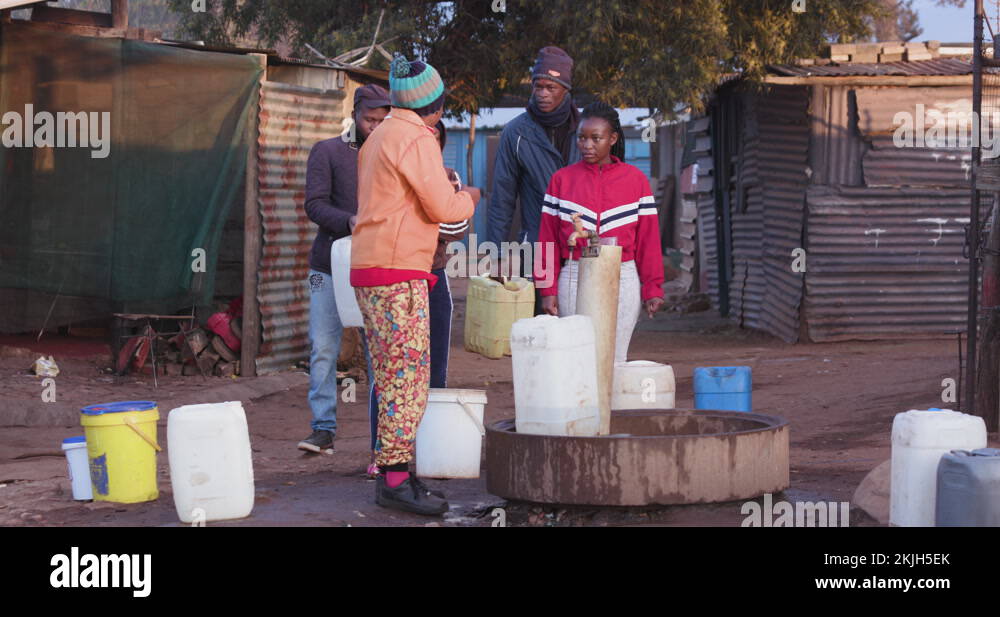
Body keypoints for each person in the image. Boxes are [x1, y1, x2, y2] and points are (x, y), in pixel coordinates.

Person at [352, 53, 480, 515]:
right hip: (397, 269)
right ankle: (396, 481)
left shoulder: (380, 135)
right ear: (438, 105)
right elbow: (444, 208)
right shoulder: (415, 137)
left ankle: (398, 474)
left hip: (370, 266)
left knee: (390, 376)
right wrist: (469, 198)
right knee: (408, 377)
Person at [365, 122, 465, 472]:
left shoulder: (447, 176)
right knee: (392, 372)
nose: (425, 144)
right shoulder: (386, 175)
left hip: (431, 276)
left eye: (433, 139)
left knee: (431, 371)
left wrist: (456, 203)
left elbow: (454, 228)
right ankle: (384, 456)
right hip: (397, 276)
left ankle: (423, 450)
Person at [298, 84, 391, 454]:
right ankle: (323, 428)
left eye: (383, 121)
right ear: (355, 114)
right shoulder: (328, 151)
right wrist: (349, 220)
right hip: (329, 265)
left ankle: (383, 437)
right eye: (370, 119)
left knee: (378, 353)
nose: (376, 126)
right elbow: (314, 205)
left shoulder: (391, 153)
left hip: (378, 264)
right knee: (323, 347)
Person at [535, 101, 666, 363]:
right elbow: (546, 239)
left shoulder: (636, 181)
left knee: (614, 359)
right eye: (582, 138)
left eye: (596, 138)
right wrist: (546, 289)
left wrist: (653, 288)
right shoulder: (561, 180)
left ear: (613, 138)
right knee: (576, 357)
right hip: (573, 274)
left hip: (623, 275)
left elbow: (649, 241)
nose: (587, 145)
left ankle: (610, 405)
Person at [487, 46, 581, 314]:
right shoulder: (516, 133)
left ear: (565, 88)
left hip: (582, 245)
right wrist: (496, 254)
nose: (542, 94)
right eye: (537, 86)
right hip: (537, 245)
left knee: (581, 323)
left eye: (551, 87)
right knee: (542, 324)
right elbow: (502, 198)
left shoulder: (587, 130)